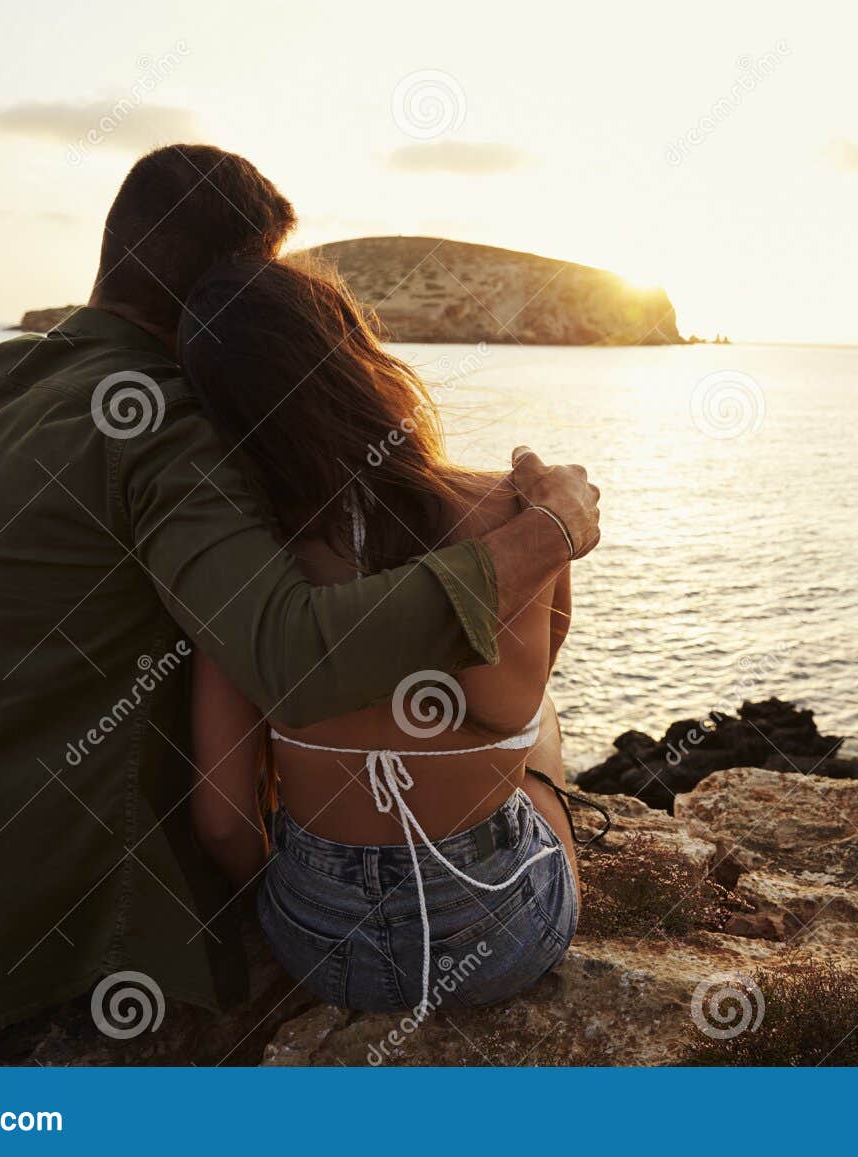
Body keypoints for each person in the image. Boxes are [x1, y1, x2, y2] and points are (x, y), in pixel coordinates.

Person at [0, 144, 600, 1028]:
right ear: (228, 296)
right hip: (79, 939)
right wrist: (546, 536)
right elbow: (295, 657)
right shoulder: (165, 428)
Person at [181, 258, 584, 1013]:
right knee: (542, 730)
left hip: (319, 940)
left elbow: (222, 816)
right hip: (500, 925)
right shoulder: (513, 512)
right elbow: (528, 689)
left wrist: (299, 882)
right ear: (360, 361)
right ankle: (554, 805)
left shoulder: (250, 572)